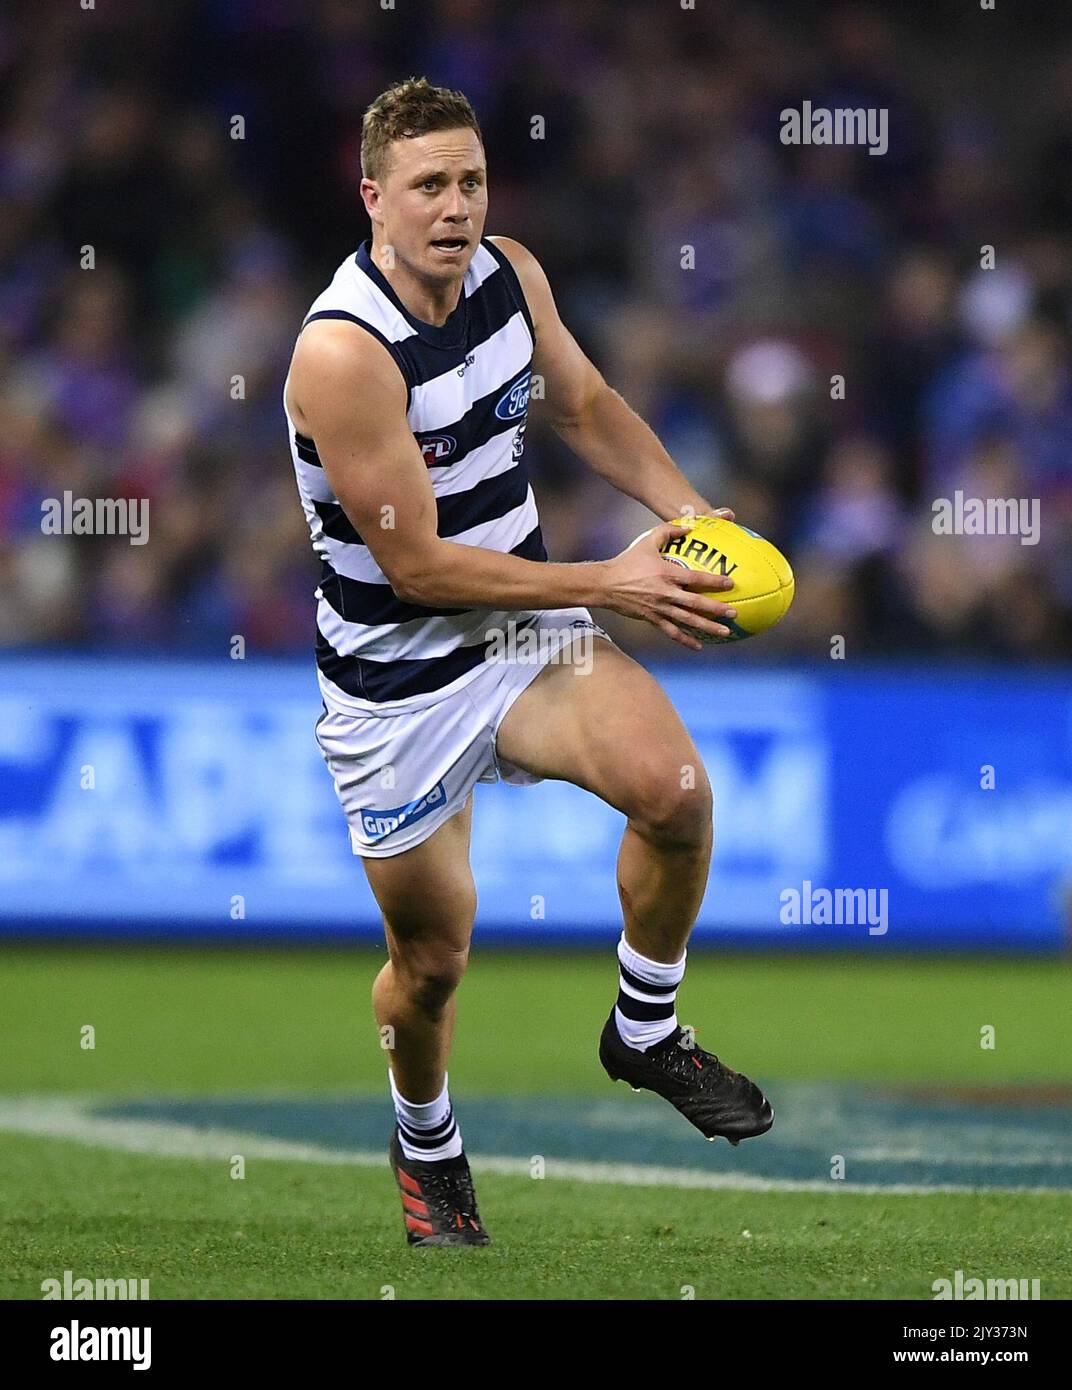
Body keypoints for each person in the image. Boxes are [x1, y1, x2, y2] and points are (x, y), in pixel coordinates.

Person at [283, 77, 772, 1248]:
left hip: (525, 638)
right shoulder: (342, 354)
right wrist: (612, 579)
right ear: (372, 198)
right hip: (398, 684)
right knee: (432, 963)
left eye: (471, 180)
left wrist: (700, 522)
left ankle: (643, 1027)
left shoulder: (511, 275)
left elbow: (587, 406)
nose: (456, 207)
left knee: (676, 793)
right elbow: (421, 573)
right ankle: (428, 1141)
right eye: (428, 186)